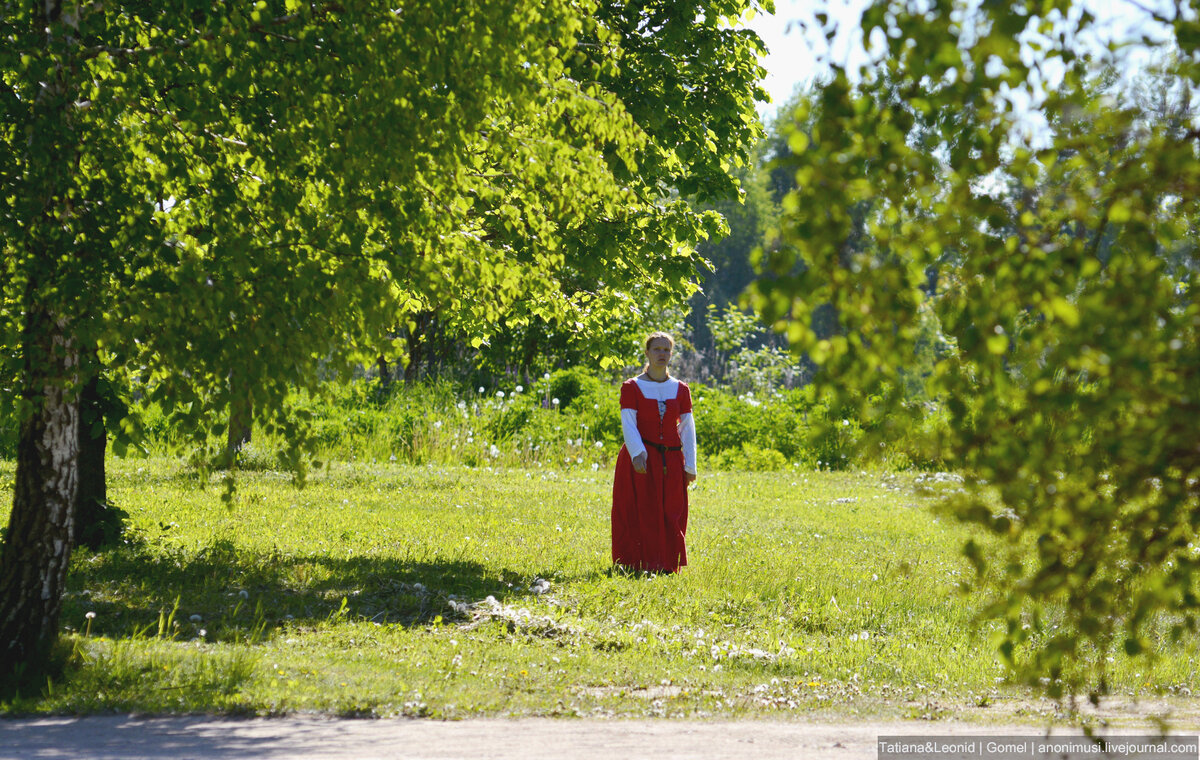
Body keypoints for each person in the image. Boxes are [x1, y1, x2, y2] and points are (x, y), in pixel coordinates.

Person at [611, 331, 697, 573]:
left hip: (670, 459)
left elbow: (687, 428)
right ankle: (636, 563)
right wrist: (638, 453)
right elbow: (628, 422)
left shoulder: (680, 389)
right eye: (657, 349)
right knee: (639, 509)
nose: (662, 354)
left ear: (671, 354)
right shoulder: (632, 387)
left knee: (672, 511)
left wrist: (690, 465)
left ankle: (667, 564)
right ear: (647, 353)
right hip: (641, 459)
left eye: (666, 350)